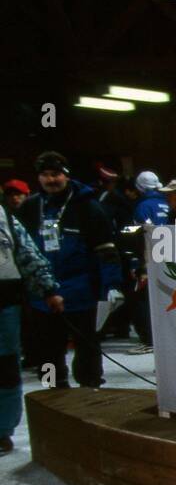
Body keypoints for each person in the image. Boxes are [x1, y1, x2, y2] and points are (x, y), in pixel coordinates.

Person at [16, 152, 121, 388]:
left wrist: (112, 285)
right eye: (45, 175)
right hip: (43, 297)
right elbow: (20, 251)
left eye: (56, 174)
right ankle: (53, 394)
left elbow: (107, 250)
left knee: (87, 350)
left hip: (82, 294)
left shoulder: (88, 207)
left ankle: (90, 392)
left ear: (66, 174)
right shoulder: (30, 207)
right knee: (48, 351)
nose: (51, 179)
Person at [0, 201, 61, 453]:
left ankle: (2, 430)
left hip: (4, 300)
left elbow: (26, 253)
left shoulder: (4, 214)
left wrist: (47, 288)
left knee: (5, 367)